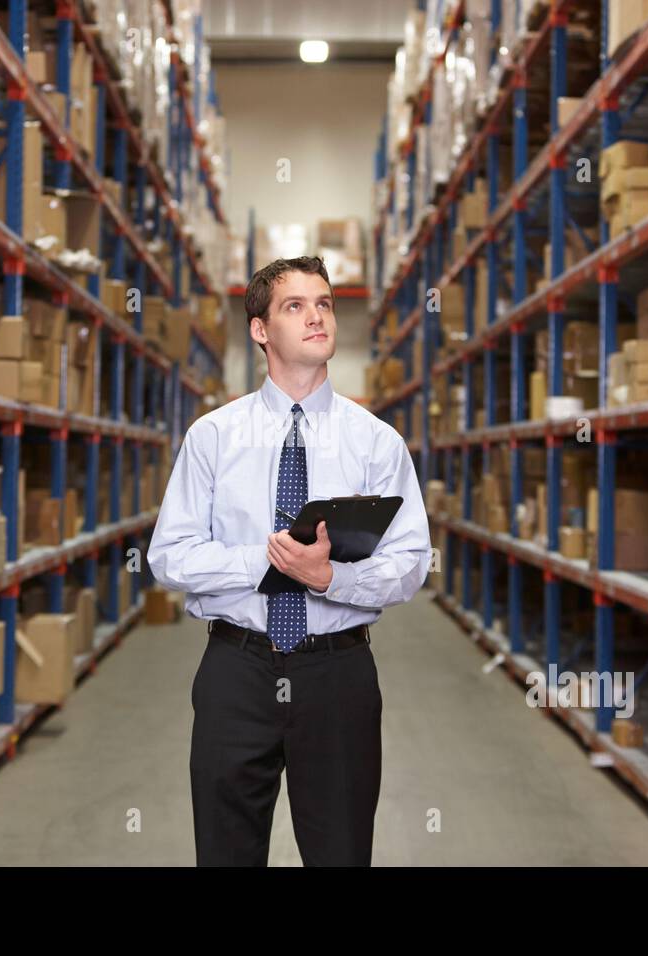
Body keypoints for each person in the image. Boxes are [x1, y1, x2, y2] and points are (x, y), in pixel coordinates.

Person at [147, 255, 431, 866]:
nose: (316, 317)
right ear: (259, 329)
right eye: (294, 306)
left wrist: (332, 577)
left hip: (337, 676)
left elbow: (412, 561)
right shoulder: (214, 437)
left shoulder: (376, 441)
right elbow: (169, 557)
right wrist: (270, 561)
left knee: (340, 853)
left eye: (324, 304)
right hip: (236, 671)